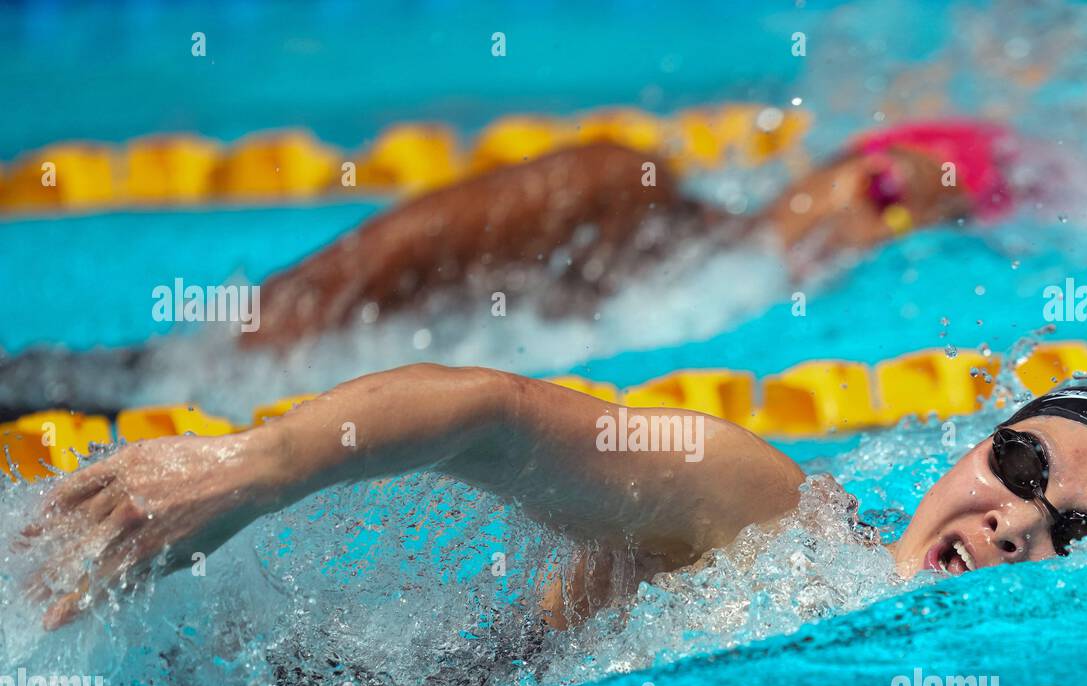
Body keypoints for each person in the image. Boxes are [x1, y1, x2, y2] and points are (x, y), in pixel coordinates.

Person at [25, 364, 1087, 632]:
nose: (1015, 520)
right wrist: (250, 468)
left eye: (1074, 534)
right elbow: (487, 411)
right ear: (970, 446)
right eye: (1018, 467)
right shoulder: (770, 516)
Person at [0, 120, 1016, 419]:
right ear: (839, 161)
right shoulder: (622, 188)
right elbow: (352, 271)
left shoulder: (778, 328)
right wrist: (199, 391)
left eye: (908, 230)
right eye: (881, 191)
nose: (863, 233)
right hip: (171, 392)